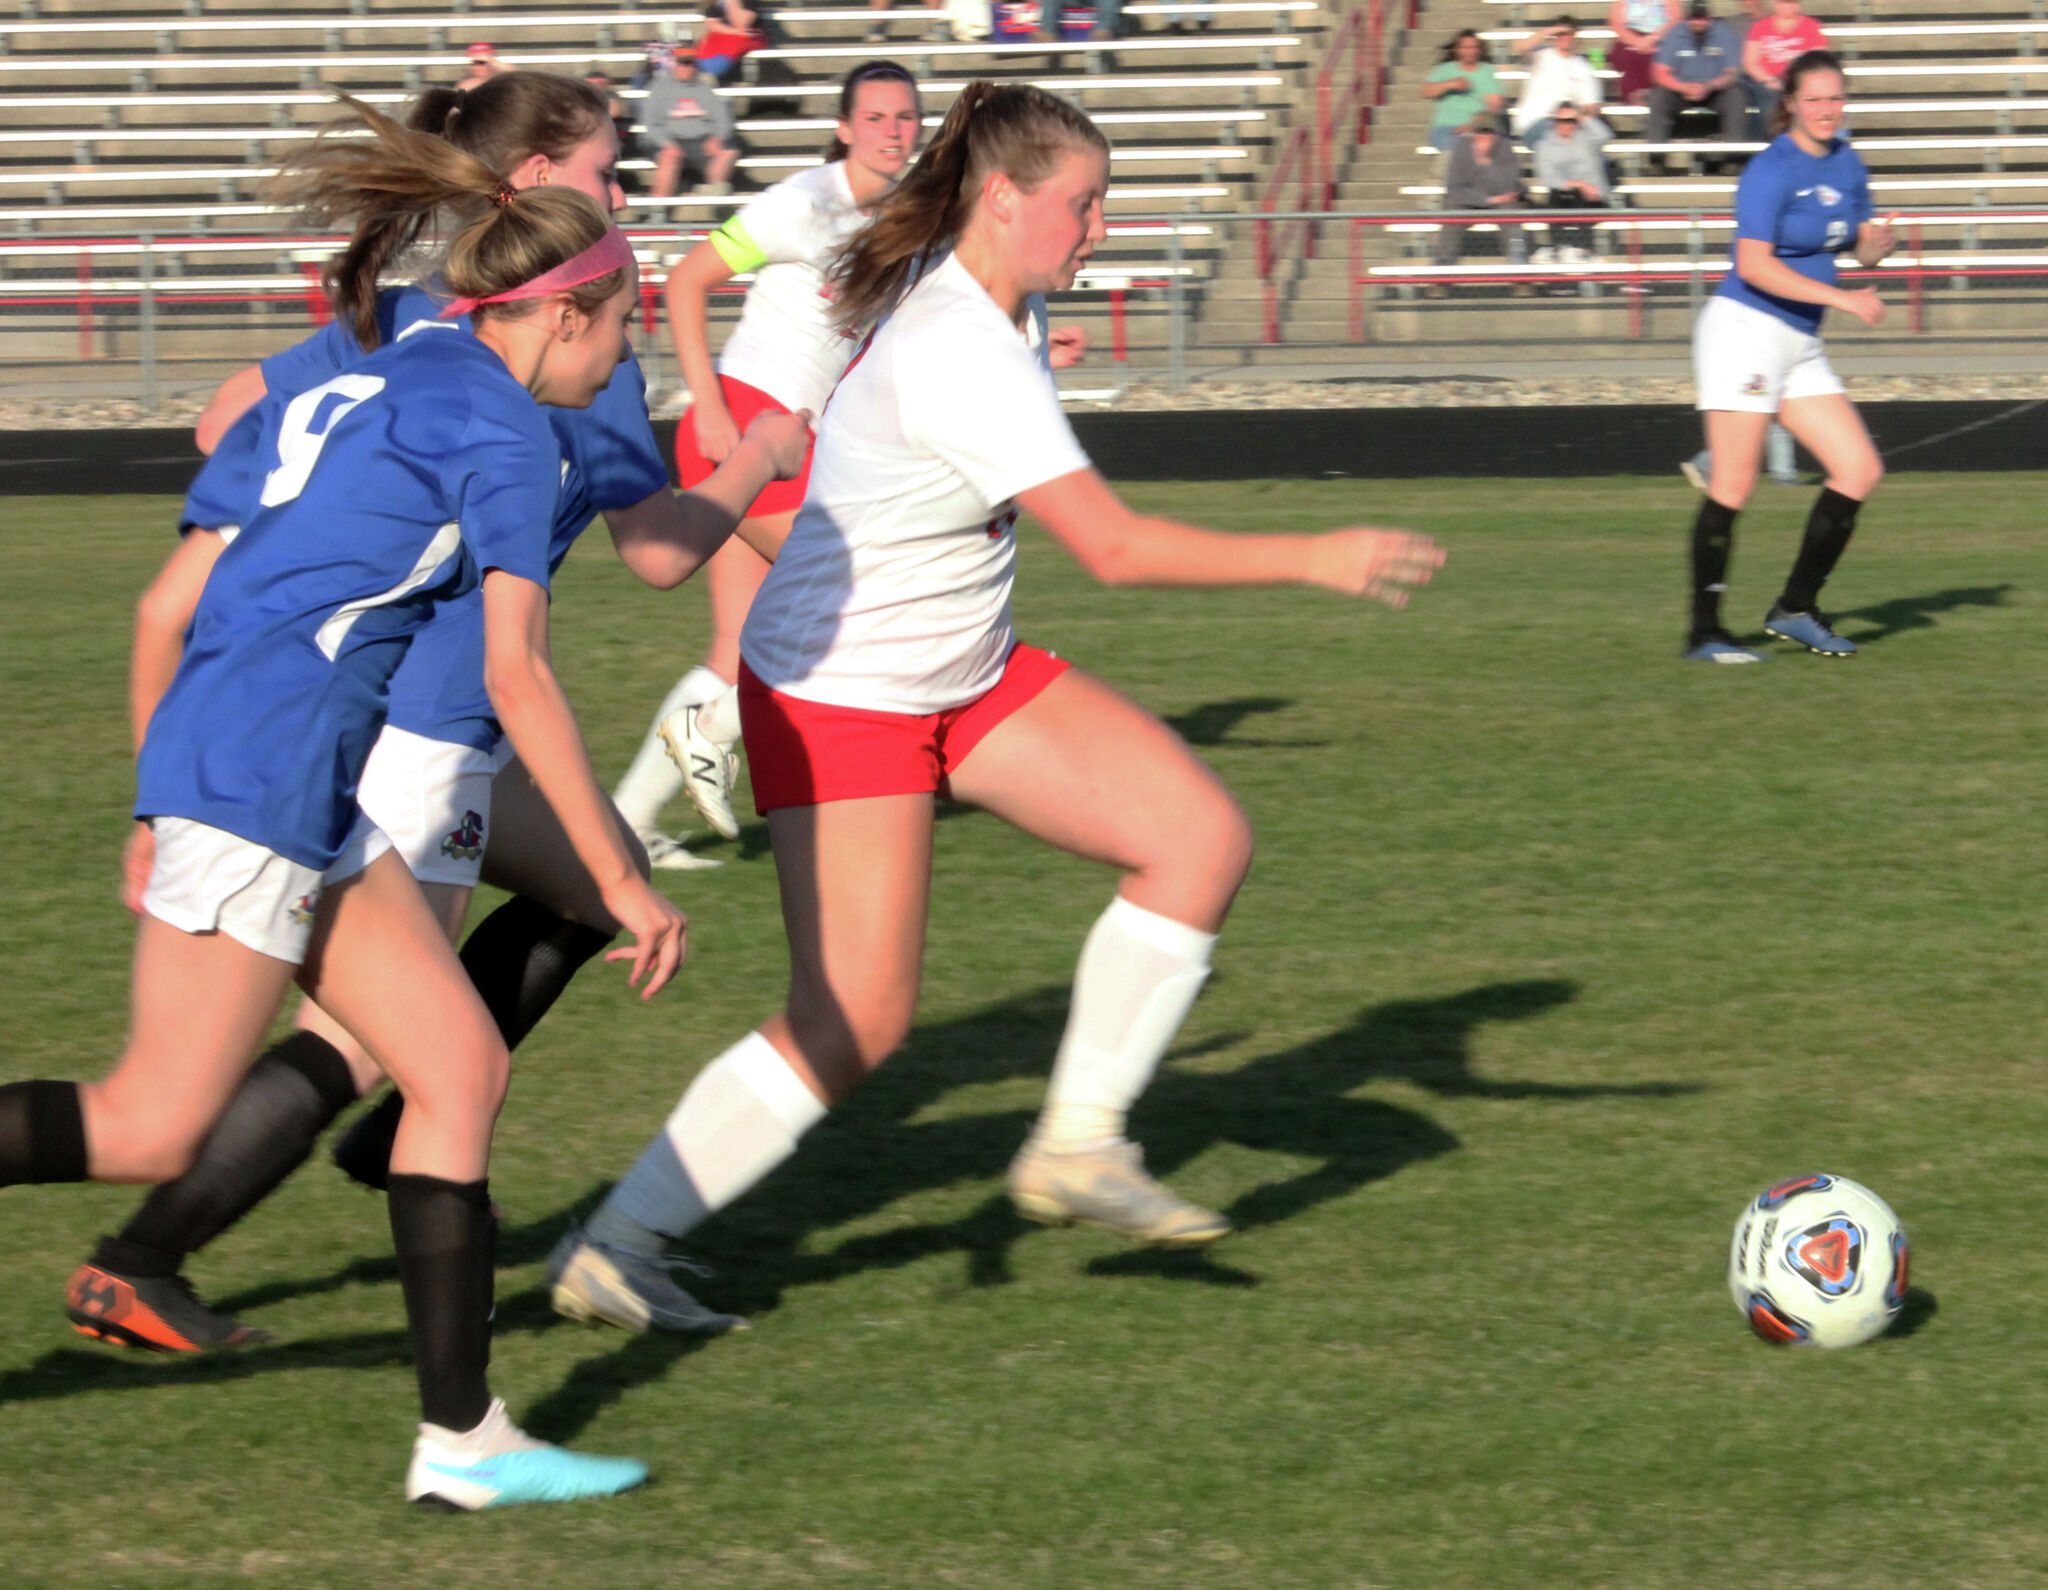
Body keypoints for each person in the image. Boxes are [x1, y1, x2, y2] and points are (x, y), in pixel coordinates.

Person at [541, 81, 1446, 1335]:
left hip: (963, 674)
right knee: (852, 1020)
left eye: (1102, 206)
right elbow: (1115, 551)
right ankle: (616, 1246)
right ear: (1005, 198)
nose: (1097, 230)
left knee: (1197, 840)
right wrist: (1315, 555)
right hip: (839, 696)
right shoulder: (961, 341)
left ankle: (1075, 1144)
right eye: (1081, 206)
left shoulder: (989, 314)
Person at [1, 111, 674, 1507]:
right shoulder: (510, 434)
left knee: (457, 1068)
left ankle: (463, 1442)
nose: (629, 355)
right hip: (270, 771)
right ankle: (455, 1432)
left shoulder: (406, 355)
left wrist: (158, 782)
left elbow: (182, 597)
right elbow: (518, 674)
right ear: (559, 317)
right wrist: (625, 875)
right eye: (624, 325)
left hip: (280, 760)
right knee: (147, 1123)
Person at [78, 72, 805, 1355]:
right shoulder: (447, 330)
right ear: (532, 185)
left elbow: (650, 548)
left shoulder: (575, 349)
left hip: (439, 726)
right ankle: (150, 1253)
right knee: (371, 1038)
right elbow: (229, 427)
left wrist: (736, 457)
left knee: (600, 884)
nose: (620, 189)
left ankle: (388, 1161)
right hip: (411, 723)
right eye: (602, 168)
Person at [612, 61, 925, 862]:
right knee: (856, 608)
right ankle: (714, 733)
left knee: (737, 646)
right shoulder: (803, 203)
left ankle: (631, 828)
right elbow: (685, 283)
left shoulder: (907, 222)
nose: (894, 130)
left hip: (792, 443)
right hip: (745, 428)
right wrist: (708, 406)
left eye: (906, 118)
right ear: (844, 128)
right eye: (878, 117)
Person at [1682, 50, 1895, 662]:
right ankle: (1705, 632)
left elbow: (1856, 246)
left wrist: (1877, 245)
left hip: (1799, 341)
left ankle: (1795, 608)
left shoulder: (1849, 163)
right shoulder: (1771, 169)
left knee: (1858, 470)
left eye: (1836, 98)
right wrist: (1843, 298)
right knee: (1733, 481)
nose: (1827, 109)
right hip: (1745, 331)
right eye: (1816, 98)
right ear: (1791, 104)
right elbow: (1754, 263)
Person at [1433, 112, 1528, 276]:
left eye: (1488, 131)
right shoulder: (1462, 147)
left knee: (1510, 213)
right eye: (1479, 131)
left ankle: (1521, 276)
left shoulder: (1505, 148)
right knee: (1452, 215)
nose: (1483, 136)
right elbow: (1454, 187)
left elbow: (1508, 185)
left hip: (1501, 200)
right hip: (1470, 200)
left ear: (1496, 133)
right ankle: (1441, 275)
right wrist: (1487, 199)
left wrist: (1485, 160)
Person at [1647, 1, 1745, 153]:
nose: (1698, 22)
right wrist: (1683, 87)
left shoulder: (1724, 32)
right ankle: (1656, 158)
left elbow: (1732, 72)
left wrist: (1710, 86)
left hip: (1714, 90)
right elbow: (1659, 72)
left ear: (1709, 18)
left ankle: (1734, 158)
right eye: (1694, 18)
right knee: (1658, 97)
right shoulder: (1675, 33)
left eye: (1702, 18)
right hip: (1681, 90)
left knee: (1736, 97)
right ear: (1687, 19)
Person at [642, 45, 739, 197]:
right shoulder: (659, 88)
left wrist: (717, 138)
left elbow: (723, 119)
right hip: (670, 139)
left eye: (690, 63)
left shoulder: (705, 88)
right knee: (669, 157)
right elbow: (651, 123)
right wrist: (667, 144)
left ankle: (714, 191)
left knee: (728, 151)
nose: (686, 67)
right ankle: (658, 209)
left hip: (701, 139)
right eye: (682, 63)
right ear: (675, 65)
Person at [1533, 103, 1612, 260]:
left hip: (1593, 199)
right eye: (1562, 120)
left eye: (1571, 120)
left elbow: (1605, 135)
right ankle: (1557, 250)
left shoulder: (1587, 139)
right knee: (1557, 195)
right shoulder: (1544, 146)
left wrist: (1583, 117)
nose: (1566, 125)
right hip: (1564, 197)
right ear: (1554, 121)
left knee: (1577, 197)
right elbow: (1548, 178)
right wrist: (1581, 184)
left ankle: (1586, 250)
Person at [1511, 17, 1610, 143]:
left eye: (1568, 34)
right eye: (1560, 34)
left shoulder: (1583, 66)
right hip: (1535, 122)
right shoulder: (1540, 55)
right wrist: (1550, 31)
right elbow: (1520, 46)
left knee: (1594, 135)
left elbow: (1591, 106)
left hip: (1569, 125)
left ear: (1575, 37)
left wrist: (1576, 115)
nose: (1564, 37)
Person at [1742, 0, 1828, 133]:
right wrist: (1769, 80)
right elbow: (1751, 62)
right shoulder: (1760, 27)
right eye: (1783, 3)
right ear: (1775, 3)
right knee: (1770, 101)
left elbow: (1819, 58)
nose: (1787, 7)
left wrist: (1801, 80)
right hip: (1768, 81)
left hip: (1800, 80)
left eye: (1792, 3)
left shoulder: (1810, 25)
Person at [1423, 31, 1507, 153]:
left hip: (1479, 127)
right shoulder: (1445, 69)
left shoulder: (1487, 71)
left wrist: (1472, 125)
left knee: (1480, 144)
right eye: (1465, 47)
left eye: (1473, 47)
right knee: (1452, 147)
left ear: (1479, 50)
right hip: (1447, 127)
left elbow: (1495, 104)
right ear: (1457, 49)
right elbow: (1426, 91)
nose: (1469, 51)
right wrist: (1450, 84)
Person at [1607, 0, 1678, 108]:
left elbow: (1676, 20)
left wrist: (1652, 38)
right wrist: (1636, 41)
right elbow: (1616, 23)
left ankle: (1654, 97)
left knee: (1660, 55)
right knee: (1628, 54)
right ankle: (1634, 97)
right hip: (1630, 37)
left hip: (1661, 37)